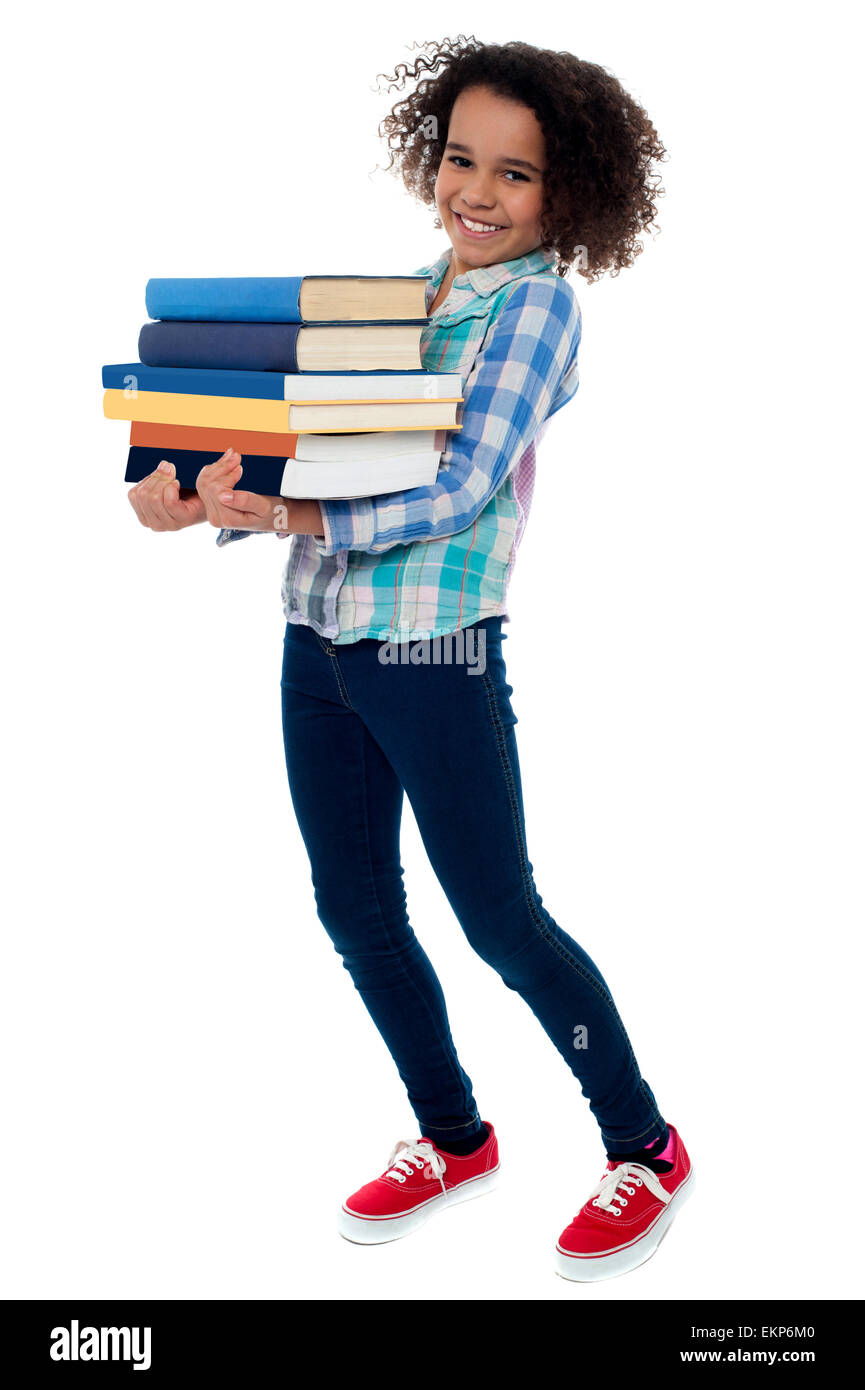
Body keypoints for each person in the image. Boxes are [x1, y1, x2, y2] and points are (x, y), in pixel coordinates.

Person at [128, 37, 693, 1282]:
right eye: (459, 159)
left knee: (498, 916)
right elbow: (297, 457)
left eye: (518, 175)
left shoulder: (537, 306)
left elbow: (453, 484)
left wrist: (278, 513)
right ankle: (453, 1134)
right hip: (317, 642)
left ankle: (644, 1144)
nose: (477, 193)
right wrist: (188, 497)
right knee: (354, 908)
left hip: (433, 643)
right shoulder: (398, 298)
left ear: (570, 194)